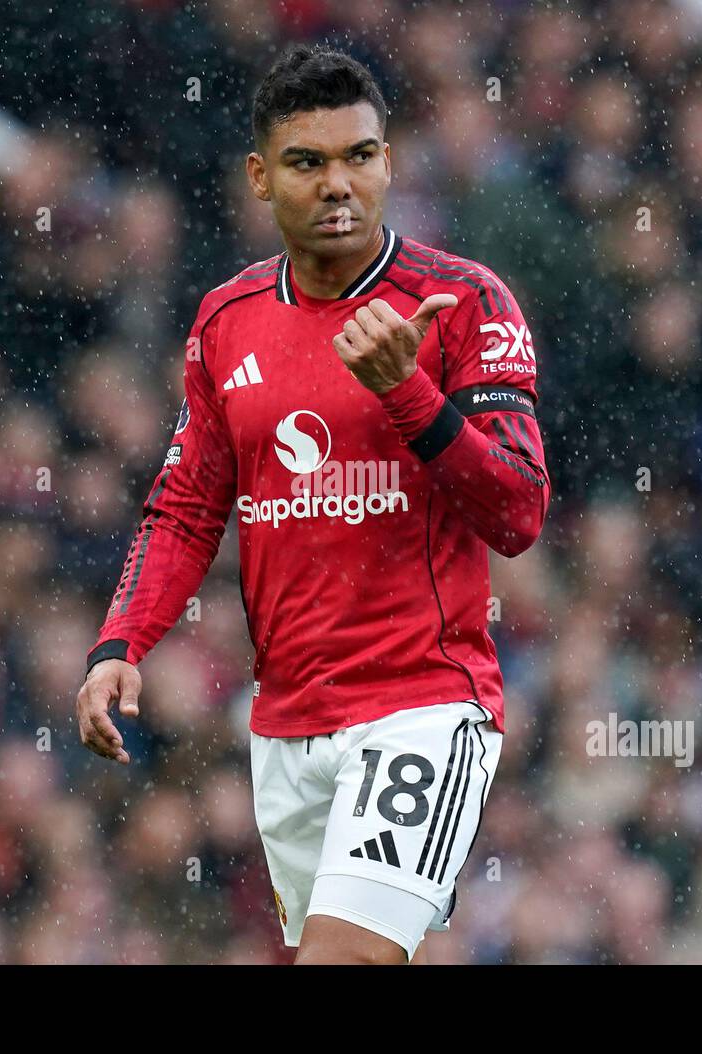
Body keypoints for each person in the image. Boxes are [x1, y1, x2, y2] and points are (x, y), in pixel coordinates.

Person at [76, 43, 550, 965]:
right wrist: (119, 645)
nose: (338, 184)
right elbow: (183, 507)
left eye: (358, 157)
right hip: (286, 722)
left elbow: (520, 511)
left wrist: (409, 394)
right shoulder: (226, 321)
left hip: (423, 702)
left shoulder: (466, 302)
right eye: (307, 163)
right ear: (261, 177)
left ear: (390, 161)